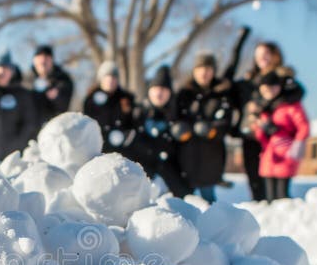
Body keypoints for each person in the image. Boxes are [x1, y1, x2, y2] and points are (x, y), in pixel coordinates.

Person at [234, 36, 305, 201]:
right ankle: (259, 206)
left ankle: (278, 206)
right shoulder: (250, 79)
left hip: (275, 134)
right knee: (254, 176)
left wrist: (267, 105)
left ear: (275, 55)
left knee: (277, 178)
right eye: (258, 55)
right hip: (252, 133)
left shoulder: (283, 76)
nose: (261, 58)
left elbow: (297, 93)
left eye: (265, 54)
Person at [171, 52, 234, 203]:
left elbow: (226, 122)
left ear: (213, 71)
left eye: (208, 69)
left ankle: (213, 225)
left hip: (210, 157)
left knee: (209, 200)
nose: (204, 73)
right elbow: (173, 118)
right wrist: (179, 129)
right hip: (186, 157)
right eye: (200, 68)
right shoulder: (183, 94)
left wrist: (212, 131)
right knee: (183, 202)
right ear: (194, 71)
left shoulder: (221, 95)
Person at [129, 65, 190, 198]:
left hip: (171, 176)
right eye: (156, 89)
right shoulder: (137, 112)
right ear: (149, 91)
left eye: (164, 89)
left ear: (170, 93)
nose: (159, 93)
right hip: (141, 173)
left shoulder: (178, 114)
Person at [252, 71, 309, 201]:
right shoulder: (264, 107)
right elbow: (260, 134)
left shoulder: (290, 105)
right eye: (265, 88)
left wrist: (297, 144)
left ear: (279, 87)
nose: (269, 91)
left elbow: (303, 126)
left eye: (272, 87)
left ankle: (286, 218)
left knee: (282, 195)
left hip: (285, 153)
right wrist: (262, 128)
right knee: (270, 196)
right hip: (269, 155)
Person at [83, 61, 135, 153]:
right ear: (101, 79)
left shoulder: (125, 99)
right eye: (107, 77)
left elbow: (132, 124)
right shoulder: (90, 99)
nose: (110, 81)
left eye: (113, 77)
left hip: (121, 150)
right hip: (96, 149)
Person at [26, 44, 73, 125]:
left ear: (52, 60)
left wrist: (55, 95)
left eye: (46, 58)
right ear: (34, 61)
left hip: (53, 128)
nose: (43, 61)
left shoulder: (62, 79)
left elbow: (63, 105)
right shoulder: (26, 80)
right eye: (40, 58)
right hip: (29, 129)